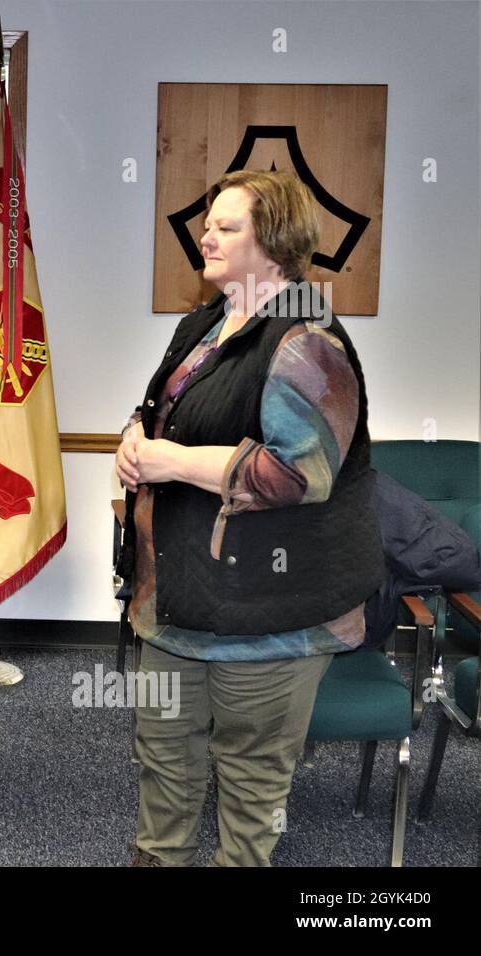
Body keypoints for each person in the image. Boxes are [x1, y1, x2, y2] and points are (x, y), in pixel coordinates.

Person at [115, 169, 383, 866]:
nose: (205, 233)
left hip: (270, 619)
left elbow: (299, 474)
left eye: (226, 226)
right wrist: (134, 442)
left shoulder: (306, 339)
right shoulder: (207, 320)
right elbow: (168, 416)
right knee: (164, 767)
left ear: (275, 243)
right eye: (208, 223)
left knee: (249, 789)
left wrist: (172, 462)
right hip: (177, 604)